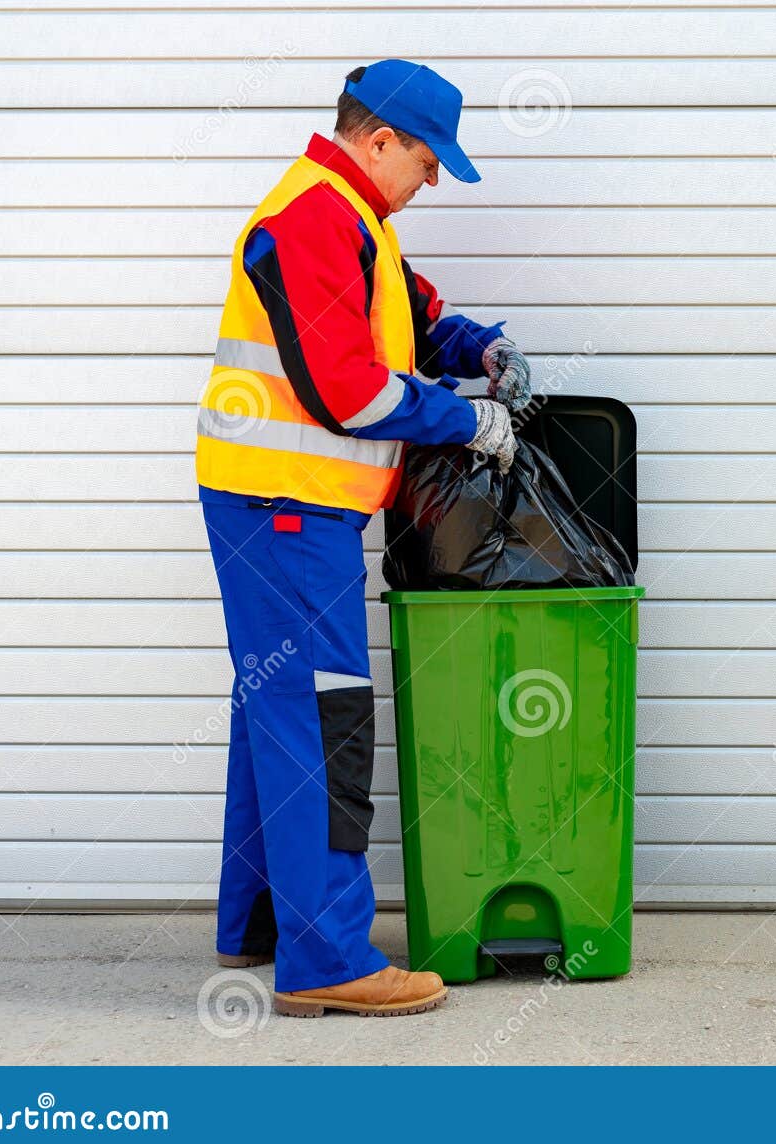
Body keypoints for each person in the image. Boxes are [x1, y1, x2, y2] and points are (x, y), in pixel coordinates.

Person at [193, 59, 533, 1018]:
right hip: (286, 507)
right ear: (376, 138)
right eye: (426, 162)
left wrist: (483, 350)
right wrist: (466, 423)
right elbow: (351, 392)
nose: (431, 183)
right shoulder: (310, 221)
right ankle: (328, 960)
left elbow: (413, 324)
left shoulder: (356, 225)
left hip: (287, 506)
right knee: (320, 719)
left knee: (280, 713)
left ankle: (260, 926)